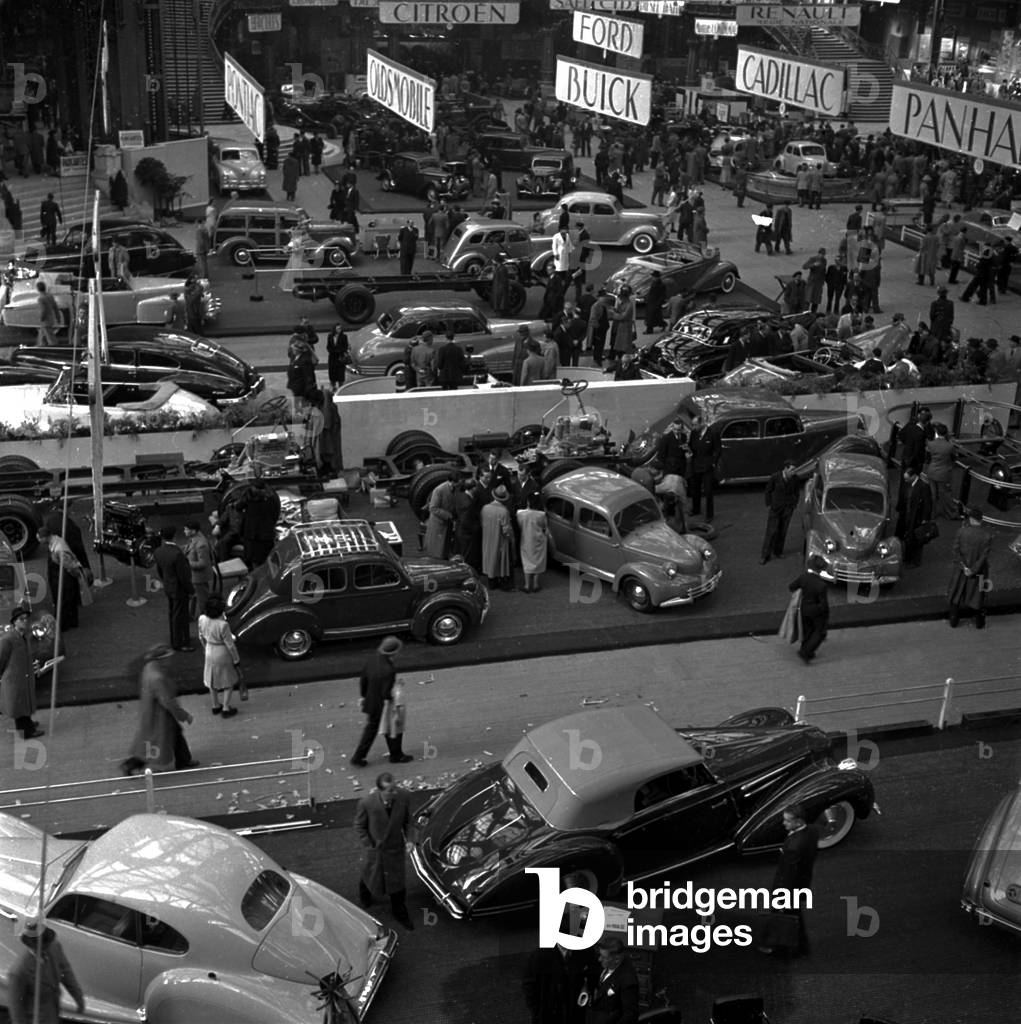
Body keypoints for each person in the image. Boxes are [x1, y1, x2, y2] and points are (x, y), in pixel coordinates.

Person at [122, 645, 198, 774]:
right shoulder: (158, 677)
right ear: (161, 659)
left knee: (152, 739)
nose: (170, 661)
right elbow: (167, 701)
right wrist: (184, 715)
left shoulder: (149, 668)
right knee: (168, 736)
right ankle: (183, 761)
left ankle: (133, 763)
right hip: (161, 715)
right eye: (168, 658)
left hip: (150, 712)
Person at [354, 772, 414, 929]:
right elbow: (360, 825)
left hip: (395, 848)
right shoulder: (367, 803)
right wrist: (369, 845)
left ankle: (399, 910)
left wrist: (410, 840)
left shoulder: (404, 797)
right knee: (371, 874)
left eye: (395, 788)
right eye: (391, 790)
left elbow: (408, 822)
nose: (395, 792)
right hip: (376, 850)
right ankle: (365, 897)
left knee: (397, 881)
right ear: (380, 790)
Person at [758, 803, 818, 955]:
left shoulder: (793, 847)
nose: (784, 823)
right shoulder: (811, 832)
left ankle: (778, 947)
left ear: (798, 822)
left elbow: (787, 874)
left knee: (780, 917)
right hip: (801, 884)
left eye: (788, 820)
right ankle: (800, 946)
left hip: (788, 890)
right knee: (794, 916)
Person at [7, 916, 85, 1024]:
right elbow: (16, 1009)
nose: (47, 947)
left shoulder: (54, 947)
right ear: (33, 946)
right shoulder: (18, 972)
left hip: (53, 1011)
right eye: (43, 945)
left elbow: (66, 972)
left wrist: (78, 997)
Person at [351, 636, 411, 766]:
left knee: (371, 729)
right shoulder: (389, 671)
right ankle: (396, 755)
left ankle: (359, 756)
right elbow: (386, 693)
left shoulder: (372, 659)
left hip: (371, 701)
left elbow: (363, 680)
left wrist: (364, 696)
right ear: (394, 652)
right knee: (393, 727)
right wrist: (398, 687)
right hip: (382, 705)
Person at [0, 608, 42, 740]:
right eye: (21, 619)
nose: (25, 621)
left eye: (26, 618)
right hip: (15, 678)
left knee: (24, 701)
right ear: (14, 622)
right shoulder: (8, 639)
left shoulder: (24, 636)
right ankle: (25, 731)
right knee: (19, 704)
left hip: (23, 676)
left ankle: (28, 724)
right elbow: (1, 658)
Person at [947, 508, 993, 629]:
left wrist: (964, 567)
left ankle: (954, 620)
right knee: (980, 595)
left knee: (956, 593)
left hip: (961, 570)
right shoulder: (987, 536)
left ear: (970, 519)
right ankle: (979, 622)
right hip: (980, 572)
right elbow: (983, 557)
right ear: (981, 520)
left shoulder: (961, 532)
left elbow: (956, 551)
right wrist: (973, 570)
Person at [198, 595, 242, 716]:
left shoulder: (202, 619)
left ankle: (215, 705)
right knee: (228, 681)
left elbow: (201, 636)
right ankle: (226, 708)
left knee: (211, 680)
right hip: (222, 652)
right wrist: (236, 659)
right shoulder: (223, 625)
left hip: (209, 650)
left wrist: (204, 648)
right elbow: (230, 645)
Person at [153, 525, 193, 650]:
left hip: (168, 586)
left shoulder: (158, 551)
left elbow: (160, 570)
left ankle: (174, 639)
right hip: (179, 589)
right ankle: (181, 642)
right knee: (181, 616)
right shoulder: (177, 554)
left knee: (173, 614)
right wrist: (191, 590)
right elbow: (184, 576)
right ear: (174, 536)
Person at [585, 937, 639, 1024]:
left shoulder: (628, 981)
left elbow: (630, 1017)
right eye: (599, 955)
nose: (599, 959)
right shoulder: (606, 964)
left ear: (617, 959)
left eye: (603, 957)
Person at [788, 554, 829, 663]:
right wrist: (824, 615)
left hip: (803, 608)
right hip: (816, 612)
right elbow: (824, 605)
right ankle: (805, 652)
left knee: (807, 630)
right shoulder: (821, 585)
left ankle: (805, 650)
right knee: (820, 632)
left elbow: (791, 587)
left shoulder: (803, 577)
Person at [237, 474, 281, 567]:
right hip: (266, 533)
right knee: (267, 559)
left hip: (251, 533)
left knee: (254, 560)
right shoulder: (272, 496)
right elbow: (276, 512)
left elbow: (238, 507)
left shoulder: (248, 495)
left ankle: (257, 577)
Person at [761, 460, 800, 564]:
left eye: (795, 470)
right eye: (792, 470)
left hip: (788, 508)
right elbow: (768, 490)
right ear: (785, 469)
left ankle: (778, 551)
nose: (794, 472)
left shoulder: (795, 479)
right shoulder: (775, 477)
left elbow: (797, 492)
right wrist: (769, 504)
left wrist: (794, 505)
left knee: (783, 531)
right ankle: (765, 555)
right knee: (771, 531)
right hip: (776, 508)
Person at [896, 466, 933, 568]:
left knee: (916, 539)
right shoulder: (909, 484)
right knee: (908, 537)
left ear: (913, 476)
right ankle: (907, 557)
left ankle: (914, 561)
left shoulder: (923, 486)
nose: (905, 480)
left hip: (917, 517)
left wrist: (925, 518)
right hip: (908, 516)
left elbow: (928, 504)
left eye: (907, 478)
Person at [686, 414, 720, 522]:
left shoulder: (713, 433)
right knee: (695, 489)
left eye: (695, 425)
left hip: (707, 466)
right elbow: (691, 446)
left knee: (708, 491)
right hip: (696, 464)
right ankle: (696, 509)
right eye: (693, 425)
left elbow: (718, 450)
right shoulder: (694, 433)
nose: (694, 427)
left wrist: (713, 462)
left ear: (702, 424)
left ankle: (709, 515)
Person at [481, 484, 513, 589]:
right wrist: (510, 537)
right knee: (500, 561)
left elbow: (482, 522)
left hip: (487, 538)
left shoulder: (485, 508)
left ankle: (491, 582)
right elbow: (506, 530)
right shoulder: (504, 511)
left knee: (489, 558)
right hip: (499, 540)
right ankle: (502, 582)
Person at [516, 494, 548, 594]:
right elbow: (544, 526)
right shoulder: (541, 514)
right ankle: (535, 584)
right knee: (538, 561)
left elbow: (519, 525)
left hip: (526, 539)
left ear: (528, 502)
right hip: (539, 540)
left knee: (526, 560)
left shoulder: (520, 513)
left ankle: (526, 585)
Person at [182, 520, 213, 620]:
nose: (184, 531)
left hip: (199, 577)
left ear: (193, 531)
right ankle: (191, 615)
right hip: (194, 576)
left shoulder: (201, 544)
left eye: (186, 529)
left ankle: (205, 620)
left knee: (202, 601)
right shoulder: (194, 538)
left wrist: (186, 563)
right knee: (195, 596)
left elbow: (203, 563)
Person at [424, 471, 459, 559]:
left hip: (448, 523)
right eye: (453, 483)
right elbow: (433, 508)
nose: (454, 486)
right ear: (449, 481)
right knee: (437, 549)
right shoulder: (439, 490)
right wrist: (449, 515)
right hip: (439, 522)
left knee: (445, 547)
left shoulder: (456, 487)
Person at [287, 332, 317, 409]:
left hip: (302, 391)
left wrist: (307, 392)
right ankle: (298, 420)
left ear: (297, 350)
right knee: (297, 409)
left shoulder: (304, 361)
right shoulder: (295, 358)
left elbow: (308, 377)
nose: (292, 350)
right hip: (295, 389)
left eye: (293, 348)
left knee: (303, 408)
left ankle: (302, 420)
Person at [35, 280, 61, 346]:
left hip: (45, 321)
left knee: (50, 336)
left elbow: (43, 310)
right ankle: (41, 346)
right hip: (51, 318)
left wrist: (41, 318)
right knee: (42, 335)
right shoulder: (50, 296)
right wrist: (58, 317)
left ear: (38, 289)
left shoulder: (41, 299)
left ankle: (54, 347)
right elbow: (55, 307)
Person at [326, 323, 350, 388]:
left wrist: (339, 351)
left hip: (340, 358)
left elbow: (345, 346)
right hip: (332, 358)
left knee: (340, 375)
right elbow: (328, 346)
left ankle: (340, 388)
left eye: (340, 328)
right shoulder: (330, 336)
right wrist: (332, 351)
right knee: (332, 375)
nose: (339, 330)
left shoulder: (344, 336)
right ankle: (333, 388)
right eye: (338, 328)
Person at [644, 270, 666, 334]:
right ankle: (662, 324)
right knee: (655, 316)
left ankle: (649, 330)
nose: (652, 278)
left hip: (655, 303)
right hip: (651, 302)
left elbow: (662, 295)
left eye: (653, 276)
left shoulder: (661, 285)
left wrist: (658, 303)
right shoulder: (654, 283)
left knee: (651, 317)